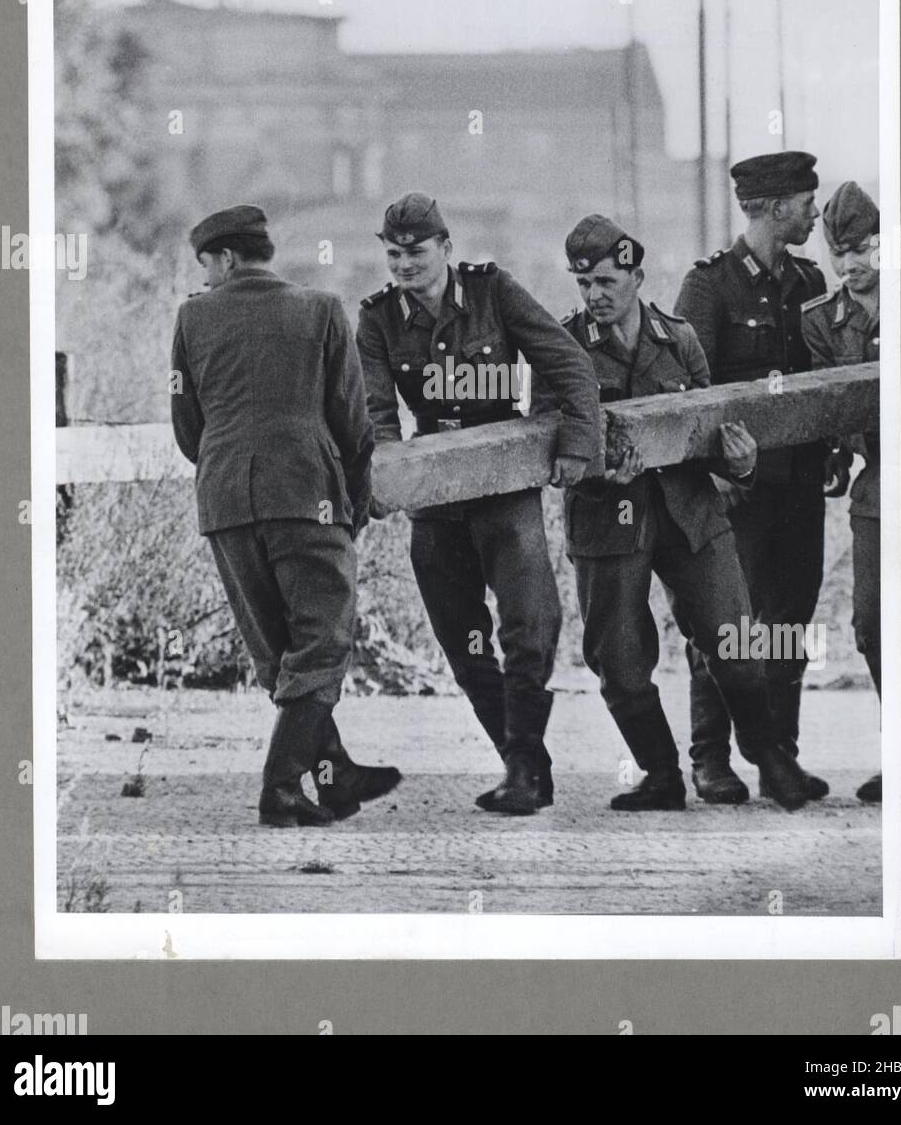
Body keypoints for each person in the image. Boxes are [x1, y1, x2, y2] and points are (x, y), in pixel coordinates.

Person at [542, 214, 813, 812]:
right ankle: (662, 774)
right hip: (606, 521)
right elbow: (547, 446)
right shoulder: (562, 352)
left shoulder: (679, 339)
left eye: (607, 282)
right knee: (619, 661)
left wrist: (740, 465)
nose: (594, 296)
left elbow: (709, 430)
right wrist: (593, 468)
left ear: (637, 276)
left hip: (690, 513)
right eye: (583, 284)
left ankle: (767, 756)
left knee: (735, 640)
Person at [355, 193, 601, 815]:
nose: (404, 265)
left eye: (415, 252)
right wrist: (388, 476)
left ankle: (523, 768)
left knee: (531, 625)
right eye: (393, 254)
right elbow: (376, 413)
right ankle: (525, 765)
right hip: (435, 497)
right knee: (464, 645)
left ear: (446, 249)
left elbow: (569, 364)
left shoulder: (495, 294)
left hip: (503, 484)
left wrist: (575, 443)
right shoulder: (378, 319)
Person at [170, 205, 400, 827]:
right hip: (306, 495)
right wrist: (350, 503)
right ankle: (281, 788)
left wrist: (227, 460)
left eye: (208, 266)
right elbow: (355, 423)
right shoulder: (321, 309)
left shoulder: (191, 316)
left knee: (279, 652)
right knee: (323, 640)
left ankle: (335, 774)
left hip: (224, 504)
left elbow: (187, 429)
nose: (209, 278)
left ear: (225, 259)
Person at [675, 151, 830, 804]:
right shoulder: (709, 287)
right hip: (734, 491)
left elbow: (827, 381)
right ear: (770, 207)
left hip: (798, 487)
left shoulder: (810, 280)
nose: (813, 212)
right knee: (723, 624)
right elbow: (687, 391)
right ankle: (710, 759)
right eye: (804, 201)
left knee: (787, 621)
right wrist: (710, 476)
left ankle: (778, 757)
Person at [802, 181, 882, 803]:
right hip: (878, 487)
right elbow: (830, 403)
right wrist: (833, 453)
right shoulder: (822, 323)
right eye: (840, 253)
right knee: (874, 623)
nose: (852, 264)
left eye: (863, 248)